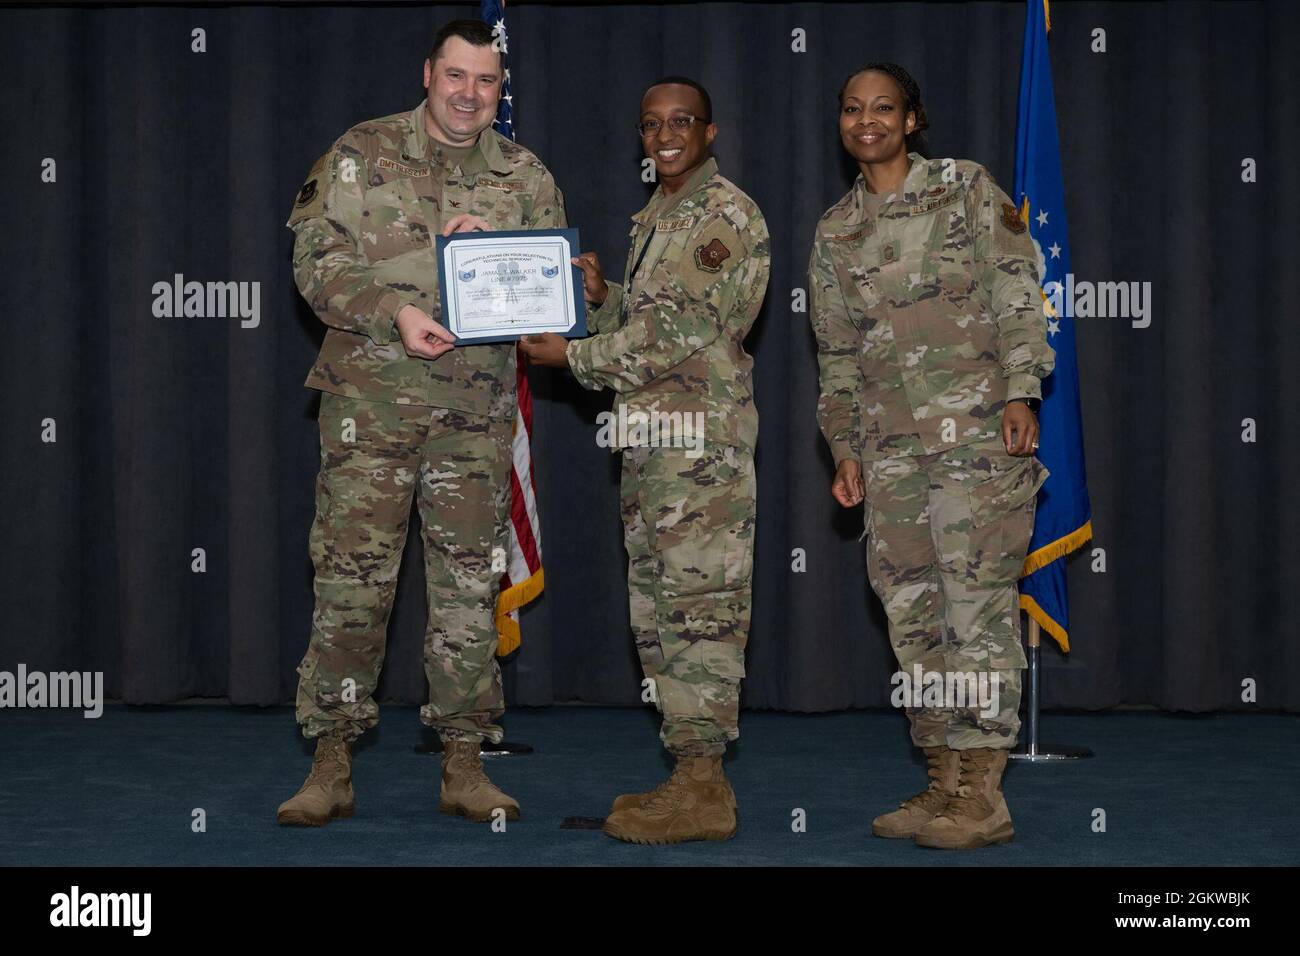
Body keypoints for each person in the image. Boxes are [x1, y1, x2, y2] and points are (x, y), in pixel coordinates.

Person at [277, 19, 566, 827]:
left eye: (487, 82)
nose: (470, 95)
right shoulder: (359, 152)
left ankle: (465, 762)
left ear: (500, 89)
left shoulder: (525, 175)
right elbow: (315, 260)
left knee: (469, 593)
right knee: (349, 589)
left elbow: (548, 287)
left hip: (474, 416)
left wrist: (511, 259)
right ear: (429, 73)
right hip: (369, 409)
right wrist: (397, 307)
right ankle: (330, 760)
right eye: (457, 77)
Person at [808, 63, 1054, 849]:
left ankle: (985, 793)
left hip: (980, 438)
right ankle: (942, 779)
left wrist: (1023, 390)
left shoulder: (966, 188)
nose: (867, 120)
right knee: (913, 615)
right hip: (890, 452)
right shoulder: (835, 231)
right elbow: (836, 356)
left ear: (912, 119)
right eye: (853, 108)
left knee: (975, 609)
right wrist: (844, 448)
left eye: (884, 107)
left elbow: (1018, 291)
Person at [520, 77, 770, 845]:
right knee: (663, 618)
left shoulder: (721, 213)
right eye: (652, 124)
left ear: (710, 131)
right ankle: (689, 775)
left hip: (698, 453)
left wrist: (575, 354)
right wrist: (603, 297)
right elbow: (657, 317)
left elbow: (680, 336)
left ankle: (705, 789)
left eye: (681, 122)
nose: (664, 135)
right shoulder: (661, 214)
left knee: (702, 615)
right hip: (655, 452)